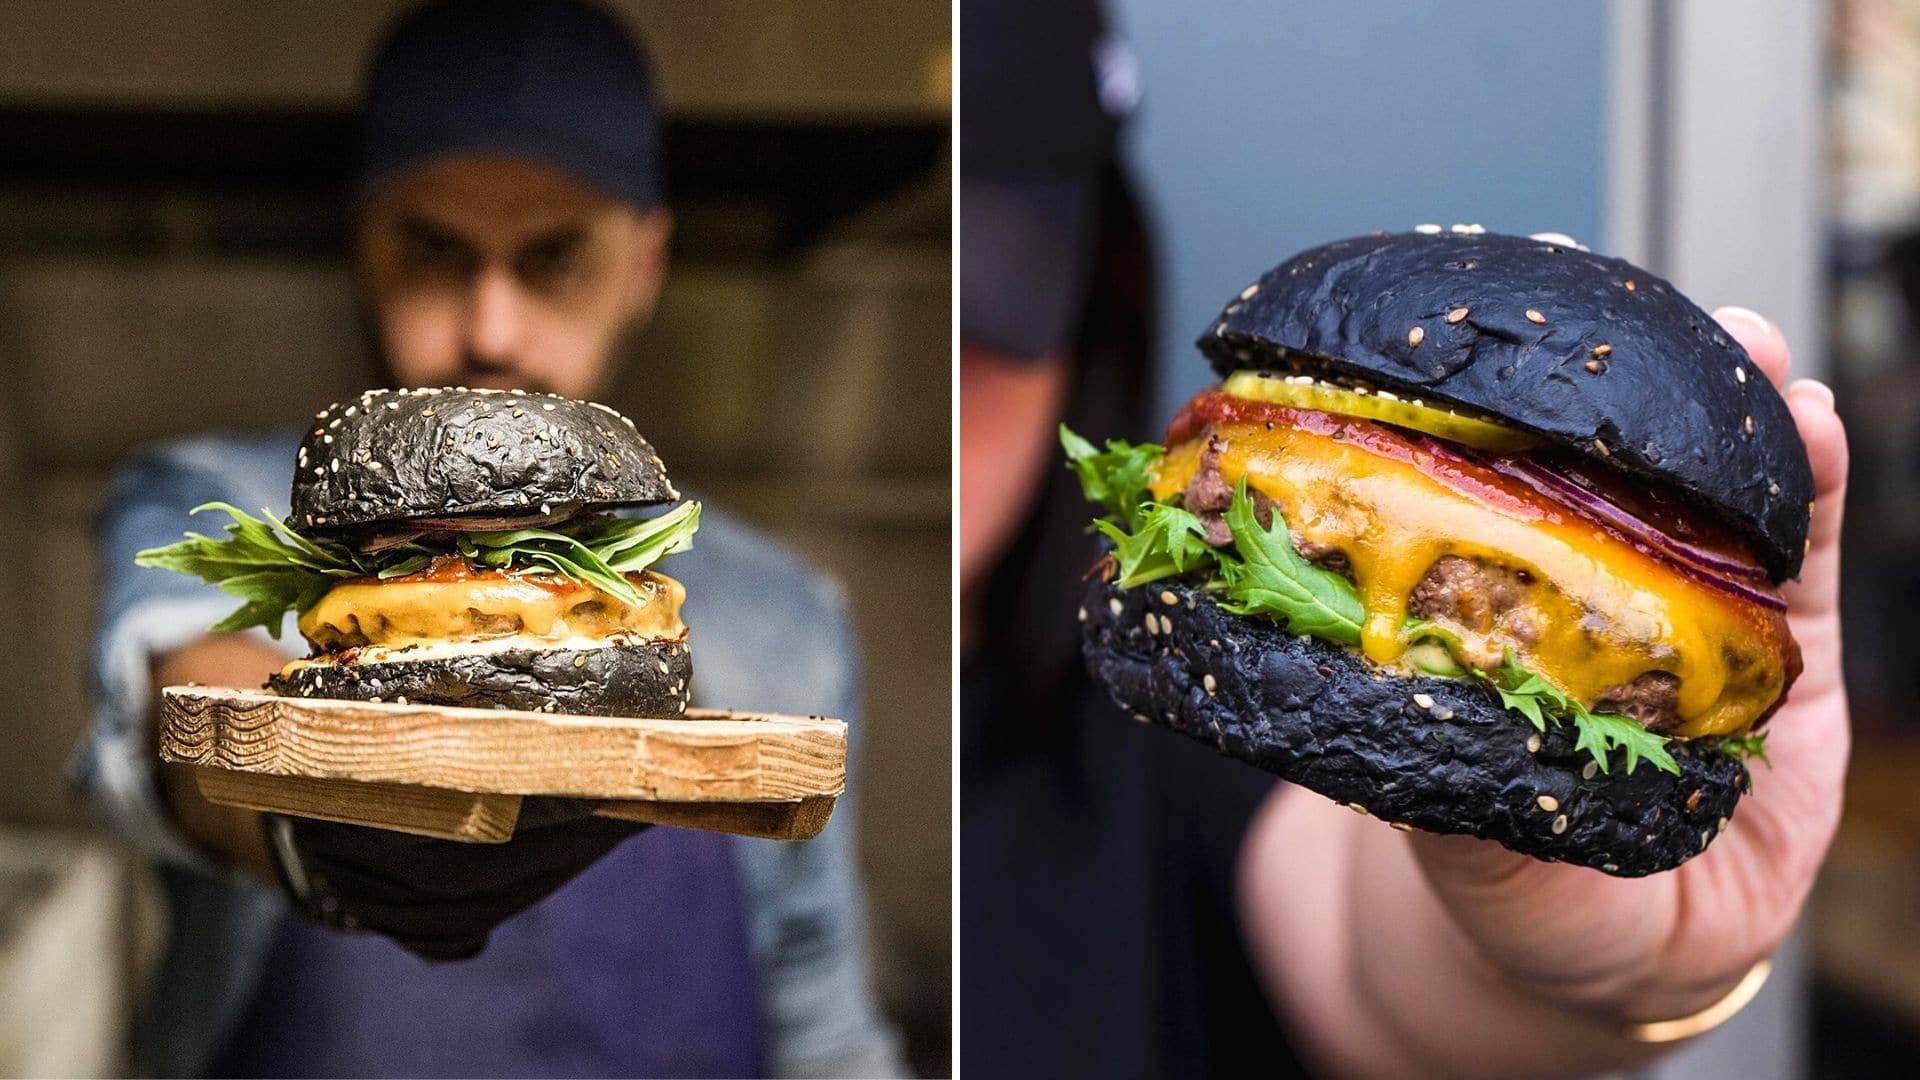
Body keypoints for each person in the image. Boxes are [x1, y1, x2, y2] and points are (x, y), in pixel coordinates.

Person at [959, 1, 1852, 1076]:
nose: (945, 374)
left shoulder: (1154, 752)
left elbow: (1369, 962)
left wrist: (1612, 963)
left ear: (1097, 299)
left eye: (992, 309)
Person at [73, 2, 904, 1076]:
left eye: (555, 258)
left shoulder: (789, 617)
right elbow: (180, 703)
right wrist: (304, 823)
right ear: (362, 241)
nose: (492, 329)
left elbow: (820, 1021)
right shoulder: (209, 502)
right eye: (434, 251)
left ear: (646, 263)